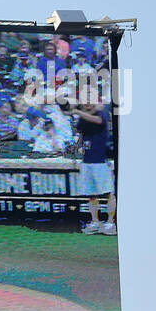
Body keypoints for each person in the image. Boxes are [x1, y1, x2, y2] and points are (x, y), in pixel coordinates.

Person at [70, 95, 116, 235]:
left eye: (90, 102)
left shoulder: (100, 114)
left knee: (109, 194)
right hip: (87, 161)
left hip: (100, 162)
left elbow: (97, 120)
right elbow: (81, 134)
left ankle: (110, 223)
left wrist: (78, 112)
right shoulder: (83, 118)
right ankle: (95, 222)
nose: (88, 104)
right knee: (91, 195)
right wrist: (76, 147)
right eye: (85, 102)